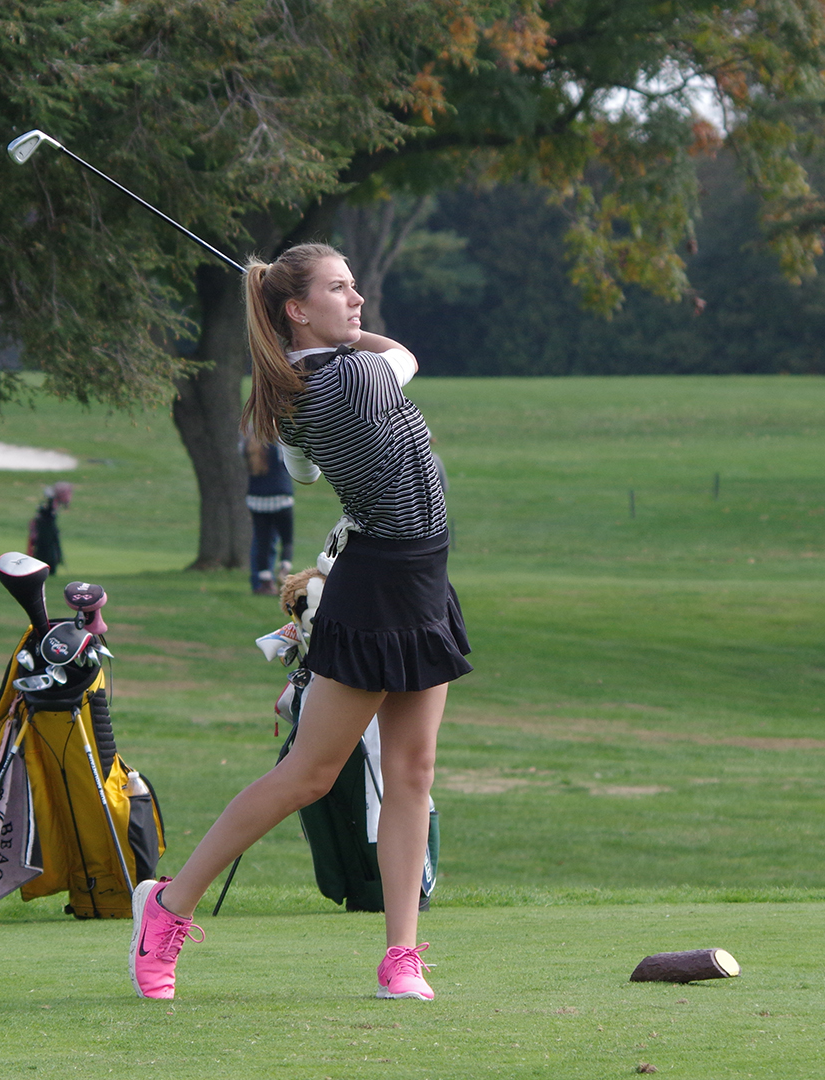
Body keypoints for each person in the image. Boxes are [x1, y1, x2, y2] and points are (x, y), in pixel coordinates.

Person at [128, 243, 470, 1002]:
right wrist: (355, 341)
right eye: (340, 289)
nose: (357, 301)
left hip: (421, 579)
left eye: (355, 288)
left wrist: (317, 342)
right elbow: (404, 355)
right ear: (296, 307)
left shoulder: (296, 393)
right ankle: (167, 905)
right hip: (378, 587)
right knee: (309, 775)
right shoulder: (349, 376)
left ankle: (401, 956)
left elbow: (305, 472)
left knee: (412, 774)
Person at [243, 434, 295, 594]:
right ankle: (284, 569)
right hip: (281, 497)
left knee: (262, 541)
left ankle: (265, 582)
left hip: (256, 500)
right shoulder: (279, 445)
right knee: (287, 539)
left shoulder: (247, 446)